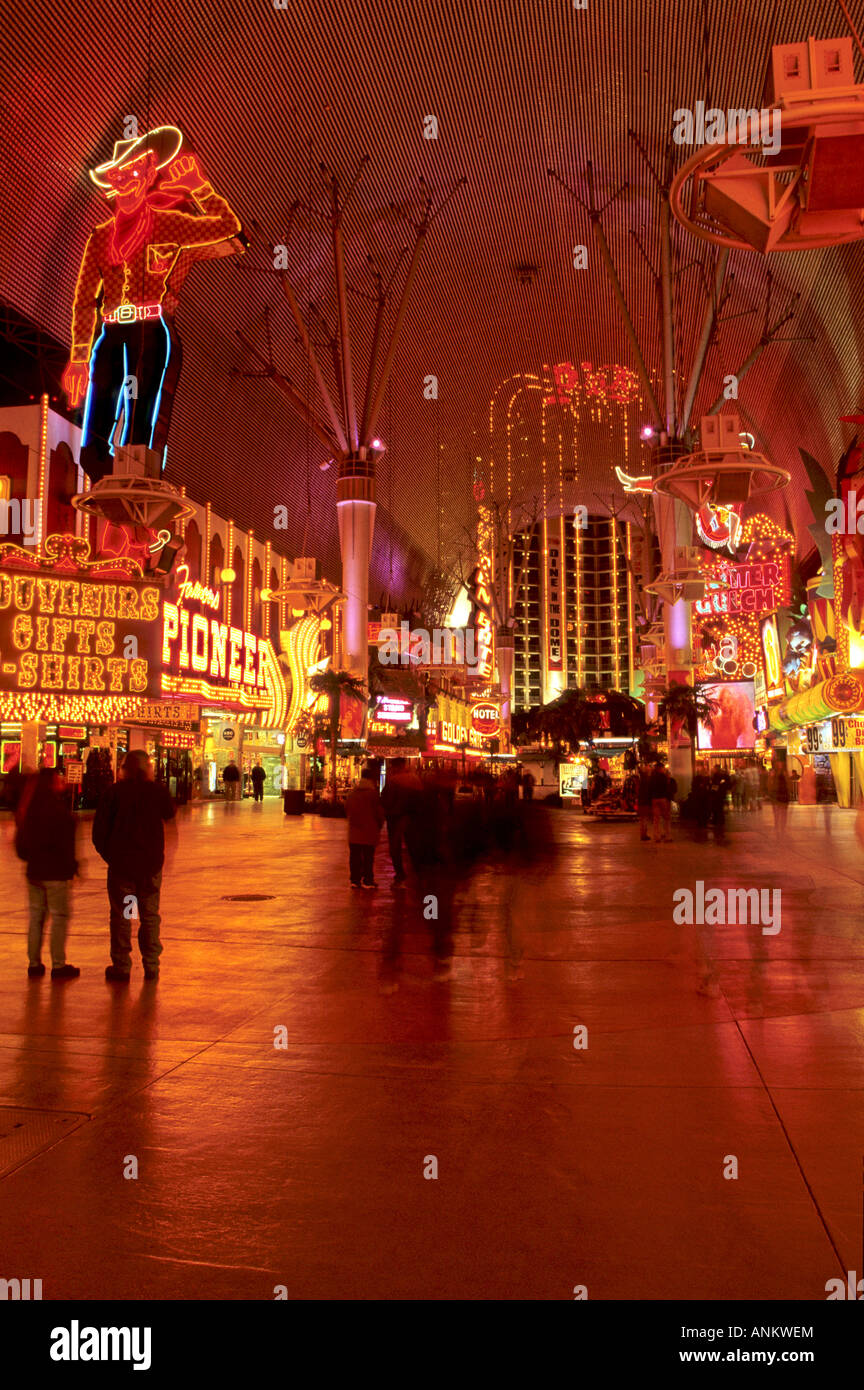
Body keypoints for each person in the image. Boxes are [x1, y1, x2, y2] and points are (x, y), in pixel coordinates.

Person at [92, 750, 177, 981]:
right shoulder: (157, 792)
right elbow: (170, 822)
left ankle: (122, 966)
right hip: (149, 869)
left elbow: (99, 833)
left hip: (123, 870)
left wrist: (111, 856)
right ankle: (151, 965)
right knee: (149, 915)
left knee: (124, 915)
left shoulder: (114, 793)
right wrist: (162, 856)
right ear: (147, 768)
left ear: (125, 768)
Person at [15, 769, 80, 980]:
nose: (62, 781)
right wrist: (72, 869)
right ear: (52, 784)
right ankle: (58, 965)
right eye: (58, 779)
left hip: (34, 872)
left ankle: (34, 963)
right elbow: (67, 847)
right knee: (59, 917)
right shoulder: (60, 812)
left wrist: (32, 858)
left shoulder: (29, 810)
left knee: (36, 918)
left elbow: (21, 847)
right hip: (56, 874)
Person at [381, 757, 422, 883]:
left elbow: (385, 800)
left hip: (396, 817)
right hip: (413, 818)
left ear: (396, 766)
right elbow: (421, 801)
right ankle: (418, 871)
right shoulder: (415, 779)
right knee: (413, 846)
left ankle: (400, 874)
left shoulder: (393, 781)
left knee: (395, 847)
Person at [346, 765, 384, 889]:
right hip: (369, 830)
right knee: (368, 857)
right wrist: (379, 825)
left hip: (354, 831)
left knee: (355, 856)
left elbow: (347, 810)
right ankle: (368, 879)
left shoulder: (352, 793)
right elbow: (379, 813)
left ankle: (355, 880)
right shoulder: (373, 794)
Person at [648, 761, 674, 842]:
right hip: (663, 798)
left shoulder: (652, 777)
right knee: (666, 818)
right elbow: (667, 787)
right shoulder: (663, 777)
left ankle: (657, 836)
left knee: (656, 819)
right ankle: (668, 836)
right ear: (660, 768)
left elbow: (650, 789)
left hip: (654, 799)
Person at [770, 762, 790, 835]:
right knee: (777, 813)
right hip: (777, 794)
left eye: (780, 764)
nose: (779, 766)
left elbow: (788, 783)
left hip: (782, 794)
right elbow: (770, 783)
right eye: (778, 764)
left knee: (782, 813)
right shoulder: (775, 773)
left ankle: (782, 827)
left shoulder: (784, 773)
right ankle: (778, 826)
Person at [637, 765, 653, 841]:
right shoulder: (646, 781)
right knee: (644, 819)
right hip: (645, 802)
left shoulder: (642, 781)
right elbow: (648, 792)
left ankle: (643, 834)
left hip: (641, 802)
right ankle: (644, 835)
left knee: (643, 819)